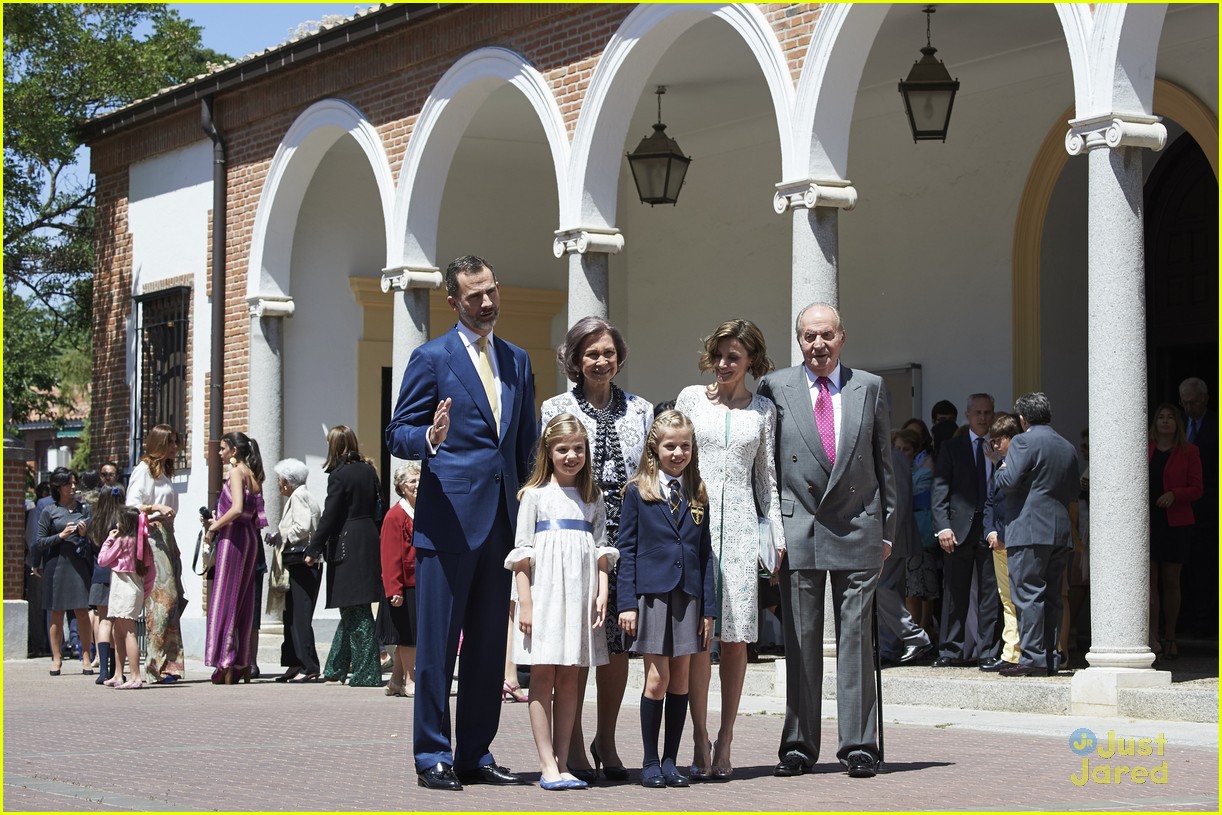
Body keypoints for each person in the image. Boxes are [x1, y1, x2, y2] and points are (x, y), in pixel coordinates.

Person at [386, 255, 537, 792]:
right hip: (447, 522)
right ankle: (432, 754)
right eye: (475, 296)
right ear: (452, 300)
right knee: (438, 647)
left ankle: (474, 751)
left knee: (487, 647)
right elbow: (397, 431)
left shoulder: (518, 361)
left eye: (492, 291)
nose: (488, 303)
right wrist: (429, 438)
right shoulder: (431, 358)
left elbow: (525, 449)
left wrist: (530, 518)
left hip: (501, 522)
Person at [756, 302, 896, 779]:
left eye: (826, 335)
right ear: (798, 341)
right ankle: (798, 744)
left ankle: (859, 745)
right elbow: (767, 467)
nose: (818, 344)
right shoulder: (775, 387)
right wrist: (768, 530)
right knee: (801, 642)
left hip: (859, 526)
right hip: (800, 528)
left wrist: (889, 532)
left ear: (842, 337)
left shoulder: (870, 388)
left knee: (857, 641)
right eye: (808, 336)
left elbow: (884, 464)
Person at [539, 316, 652, 780]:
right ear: (574, 360)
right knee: (580, 642)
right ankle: (574, 746)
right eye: (590, 353)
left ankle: (606, 737)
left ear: (618, 356)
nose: (600, 361)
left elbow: (648, 471)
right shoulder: (554, 407)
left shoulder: (642, 410)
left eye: (607, 352)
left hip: (625, 537)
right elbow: (546, 471)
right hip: (575, 537)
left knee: (618, 644)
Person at [674, 318, 784, 780]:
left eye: (733, 357)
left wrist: (775, 535)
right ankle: (698, 735)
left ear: (751, 362)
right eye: (718, 355)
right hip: (695, 523)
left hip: (739, 526)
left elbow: (768, 479)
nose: (722, 364)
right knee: (700, 637)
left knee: (736, 640)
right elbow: (672, 460)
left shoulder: (762, 411)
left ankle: (726, 738)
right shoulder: (690, 398)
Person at [506, 414, 617, 790]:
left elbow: (601, 550)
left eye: (578, 449)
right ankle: (546, 763)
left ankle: (564, 756)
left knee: (571, 675)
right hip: (546, 597)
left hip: (580, 597)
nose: (572, 456)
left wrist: (602, 590)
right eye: (563, 449)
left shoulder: (593, 497)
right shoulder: (534, 497)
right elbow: (522, 556)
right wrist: (526, 603)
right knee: (543, 675)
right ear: (548, 452)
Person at [617, 410, 715, 789]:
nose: (678, 452)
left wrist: (708, 609)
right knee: (657, 679)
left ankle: (671, 759)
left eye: (685, 446)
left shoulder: (698, 492)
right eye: (670, 445)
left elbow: (705, 555)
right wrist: (626, 602)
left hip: (688, 596)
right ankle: (648, 760)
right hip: (653, 595)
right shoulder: (637, 491)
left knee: (680, 680)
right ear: (654, 448)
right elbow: (626, 549)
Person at [992, 392, 1081, 677]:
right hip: (1059, 530)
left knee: (1028, 594)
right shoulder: (1066, 446)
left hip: (1028, 529)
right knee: (1053, 597)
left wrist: (998, 466)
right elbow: (1073, 493)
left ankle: (1032, 658)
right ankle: (1050, 657)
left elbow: (1008, 481)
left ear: (1022, 418)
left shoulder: (1022, 441)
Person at [305, 425, 384, 688]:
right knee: (350, 607)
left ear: (334, 446)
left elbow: (331, 515)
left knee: (357, 608)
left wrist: (313, 548)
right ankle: (336, 667)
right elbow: (379, 507)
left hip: (348, 540)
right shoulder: (369, 470)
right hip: (369, 537)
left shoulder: (338, 475)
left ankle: (367, 672)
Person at [932, 393, 1002, 668]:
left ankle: (987, 651)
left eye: (988, 412)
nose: (983, 417)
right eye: (978, 413)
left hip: (990, 528)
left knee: (990, 592)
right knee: (954, 591)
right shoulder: (953, 447)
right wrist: (942, 527)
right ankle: (950, 650)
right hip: (959, 528)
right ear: (968, 415)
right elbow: (940, 490)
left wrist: (999, 461)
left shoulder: (999, 447)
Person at [202, 432, 267, 684]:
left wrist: (213, 526)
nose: (219, 453)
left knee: (225, 600)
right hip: (250, 538)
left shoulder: (237, 473)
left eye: (222, 448)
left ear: (234, 451)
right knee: (244, 600)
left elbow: (237, 508)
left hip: (235, 539)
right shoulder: (253, 473)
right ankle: (242, 663)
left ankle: (226, 663)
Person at [127, 425, 185, 683]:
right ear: (159, 443)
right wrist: (155, 509)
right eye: (170, 442)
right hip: (151, 537)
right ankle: (153, 665)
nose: (175, 447)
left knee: (176, 598)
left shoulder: (166, 473)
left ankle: (169, 665)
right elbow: (130, 507)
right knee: (164, 599)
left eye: (176, 442)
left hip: (168, 536)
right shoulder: (143, 470)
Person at [1146, 403, 1203, 660]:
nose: (1165, 421)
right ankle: (1152, 636)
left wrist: (1175, 494)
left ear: (1177, 424)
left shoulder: (1189, 451)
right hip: (1148, 522)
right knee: (1149, 581)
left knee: (1171, 580)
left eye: (1170, 418)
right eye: (1161, 417)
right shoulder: (1145, 449)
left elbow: (1197, 488)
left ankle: (1171, 635)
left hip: (1176, 521)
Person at [877, 445, 933, 667]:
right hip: (887, 538)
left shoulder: (892, 455)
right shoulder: (884, 453)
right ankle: (889, 647)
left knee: (881, 589)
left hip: (892, 539)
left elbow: (897, 501)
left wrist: (886, 539)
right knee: (889, 591)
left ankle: (915, 637)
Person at [36, 468, 95, 676]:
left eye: (74, 483)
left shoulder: (84, 509)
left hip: (78, 564)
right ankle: (56, 657)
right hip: (56, 564)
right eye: (69, 483)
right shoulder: (48, 510)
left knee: (81, 611)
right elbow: (40, 541)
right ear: (58, 487)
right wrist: (60, 535)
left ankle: (86, 655)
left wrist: (84, 533)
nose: (73, 487)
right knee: (56, 613)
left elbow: (94, 538)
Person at [272, 458, 323, 683]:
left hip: (303, 563)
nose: (278, 484)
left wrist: (281, 536)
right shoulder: (299, 495)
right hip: (299, 564)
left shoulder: (300, 495)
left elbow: (302, 527)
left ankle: (308, 665)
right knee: (291, 614)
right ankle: (295, 662)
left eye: (280, 480)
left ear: (287, 481)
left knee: (300, 616)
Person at [981, 413, 1024, 672]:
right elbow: (989, 503)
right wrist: (990, 532)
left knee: (1019, 599)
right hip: (998, 541)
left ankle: (1015, 652)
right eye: (993, 441)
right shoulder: (1001, 465)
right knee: (1006, 599)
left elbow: (1017, 505)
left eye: (999, 440)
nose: (995, 446)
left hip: (1015, 540)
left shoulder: (1020, 464)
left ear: (1012, 438)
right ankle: (1011, 652)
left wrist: (1004, 534)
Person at [97, 505, 156, 689]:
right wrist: (144, 592)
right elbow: (151, 573)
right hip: (133, 591)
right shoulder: (143, 543)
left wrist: (109, 539)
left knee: (128, 632)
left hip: (123, 592)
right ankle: (118, 674)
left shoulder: (122, 541)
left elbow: (102, 560)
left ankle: (135, 676)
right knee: (118, 632)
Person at [378, 461, 421, 697]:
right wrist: (394, 588)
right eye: (412, 481)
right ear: (402, 486)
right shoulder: (395, 515)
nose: (417, 485)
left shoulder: (422, 510)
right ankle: (410, 680)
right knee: (407, 637)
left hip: (420, 581)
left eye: (419, 480)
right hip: (403, 585)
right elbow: (390, 555)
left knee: (411, 635)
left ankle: (395, 681)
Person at [893, 426, 939, 641]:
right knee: (910, 588)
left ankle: (923, 631)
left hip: (922, 534)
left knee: (925, 587)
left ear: (915, 451)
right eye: (898, 449)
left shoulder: (923, 472)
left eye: (906, 449)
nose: (901, 453)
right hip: (901, 535)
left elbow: (913, 491)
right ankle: (914, 634)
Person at [1178, 377, 1215, 636]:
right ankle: (1186, 621)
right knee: (1183, 570)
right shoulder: (1176, 424)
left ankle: (1206, 623)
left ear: (1205, 399)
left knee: (1207, 570)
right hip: (1181, 511)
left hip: (1211, 510)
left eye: (1194, 402)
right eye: (1185, 403)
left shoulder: (1217, 424)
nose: (1189, 407)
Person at [87, 485, 125, 685]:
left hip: (98, 575)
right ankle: (115, 670)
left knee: (103, 622)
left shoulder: (94, 521)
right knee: (118, 624)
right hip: (117, 575)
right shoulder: (120, 521)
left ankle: (103, 671)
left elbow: (89, 550)